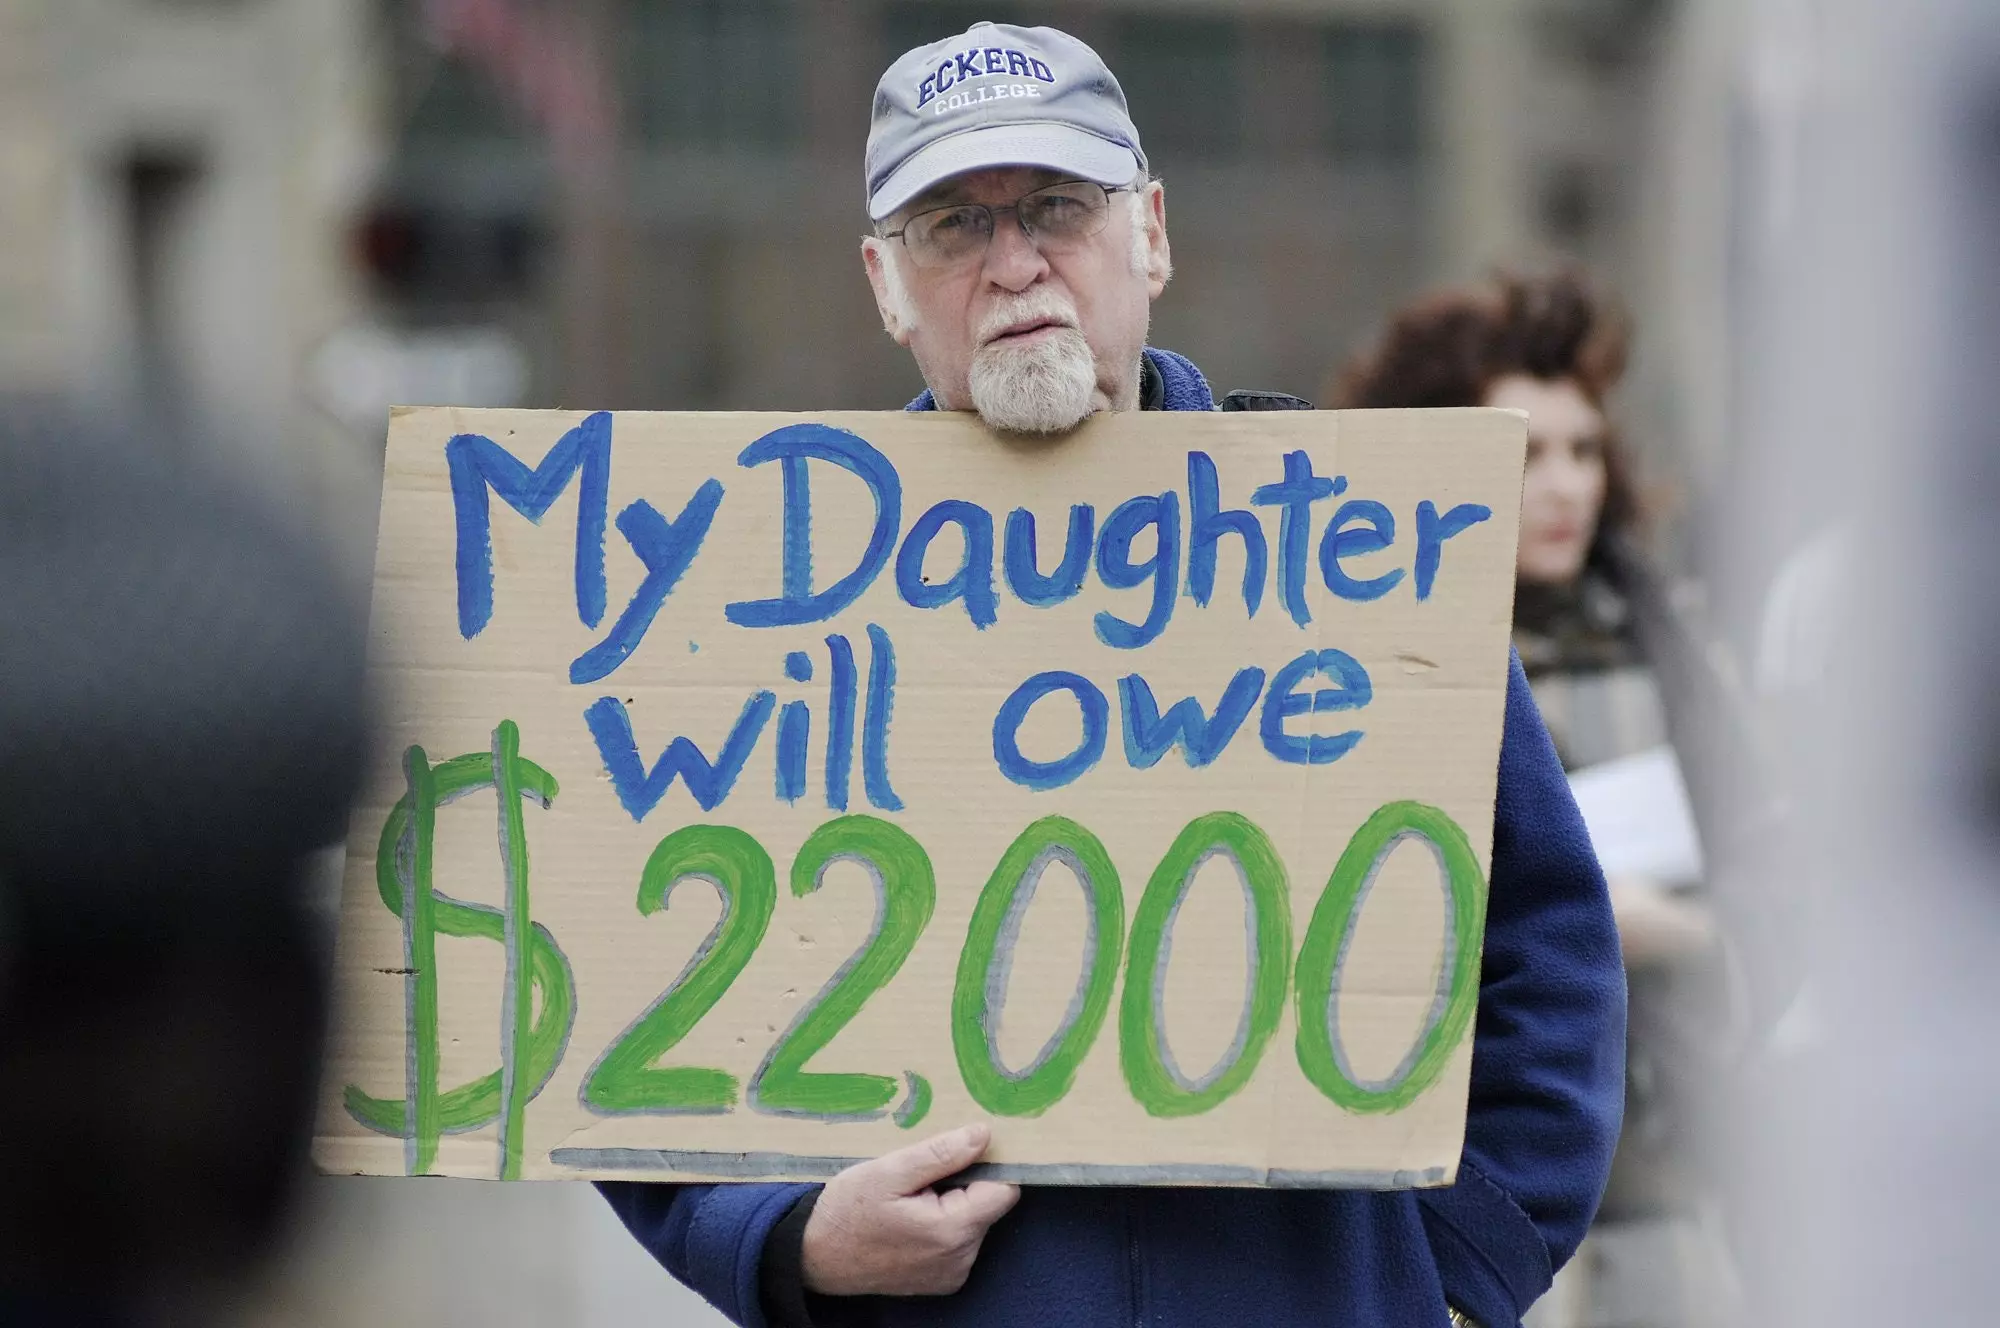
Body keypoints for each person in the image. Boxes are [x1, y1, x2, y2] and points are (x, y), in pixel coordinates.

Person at [600, 25, 1625, 1328]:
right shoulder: (760, 594)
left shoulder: (1356, 552)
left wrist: (1458, 1268)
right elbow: (620, 1009)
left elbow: (1544, 940)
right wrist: (788, 1237)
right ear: (885, 284)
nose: (1013, 263)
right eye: (950, 228)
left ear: (1150, 232)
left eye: (1055, 209)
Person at [1336, 272, 1738, 1326]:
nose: (1560, 485)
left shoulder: (1670, 653)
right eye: (1522, 452)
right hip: (1452, 1198)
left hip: (1670, 1181)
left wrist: (1676, 935)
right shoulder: (1361, 663)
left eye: (1580, 449)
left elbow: (1791, 886)